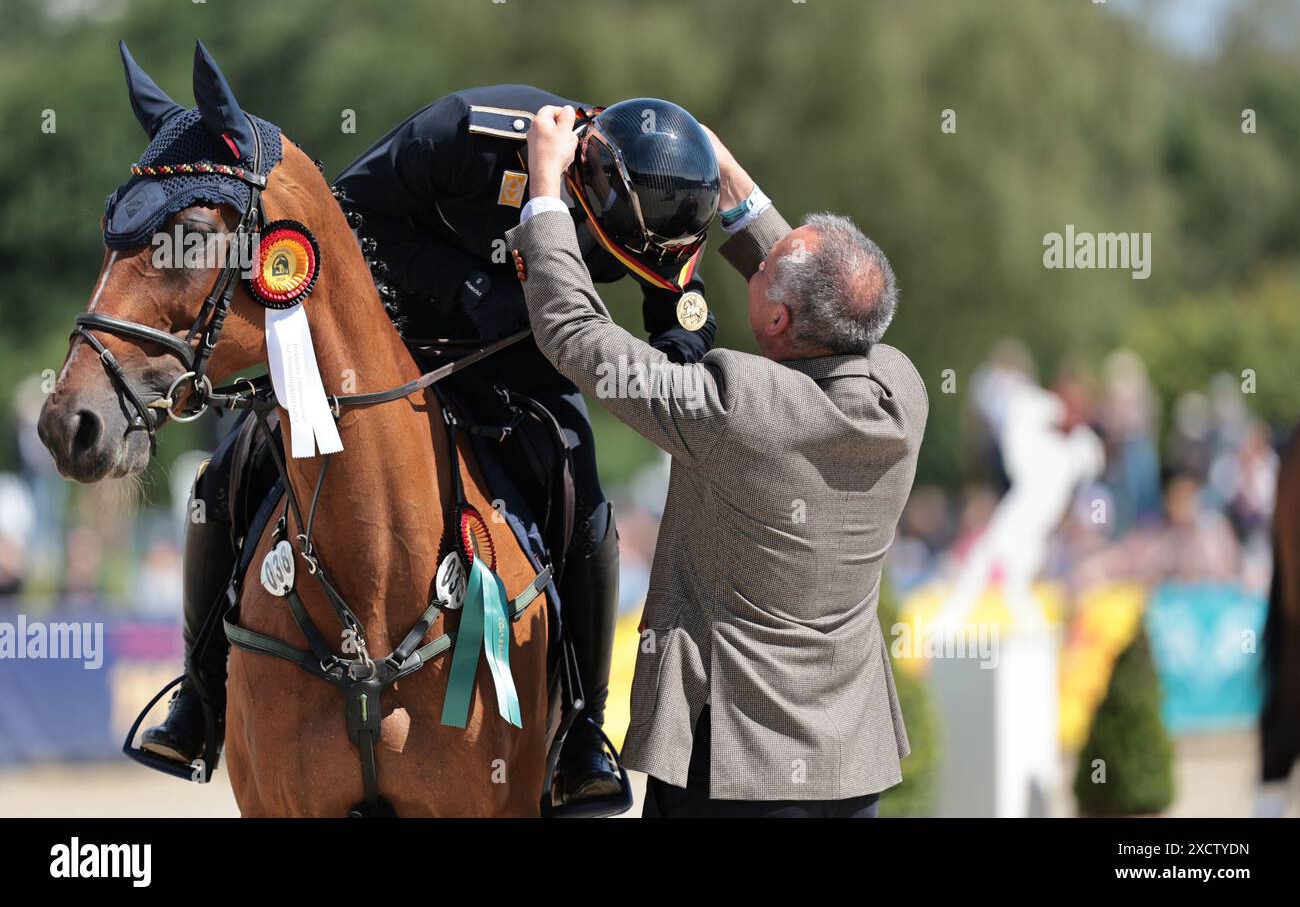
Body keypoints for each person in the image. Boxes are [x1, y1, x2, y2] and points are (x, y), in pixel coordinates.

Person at [142, 86, 721, 810]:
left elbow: (680, 311)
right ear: (593, 176)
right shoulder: (468, 136)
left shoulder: (669, 198)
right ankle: (198, 700)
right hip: (392, 336)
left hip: (523, 358)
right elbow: (343, 218)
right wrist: (472, 288)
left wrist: (677, 363)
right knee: (227, 473)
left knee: (588, 501)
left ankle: (579, 732)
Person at [507, 105, 928, 816]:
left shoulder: (738, 409)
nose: (755, 267)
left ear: (777, 324)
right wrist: (721, 169)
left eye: (762, 270)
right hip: (848, 767)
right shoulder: (901, 390)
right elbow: (822, 292)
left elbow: (573, 332)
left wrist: (544, 189)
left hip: (731, 769)